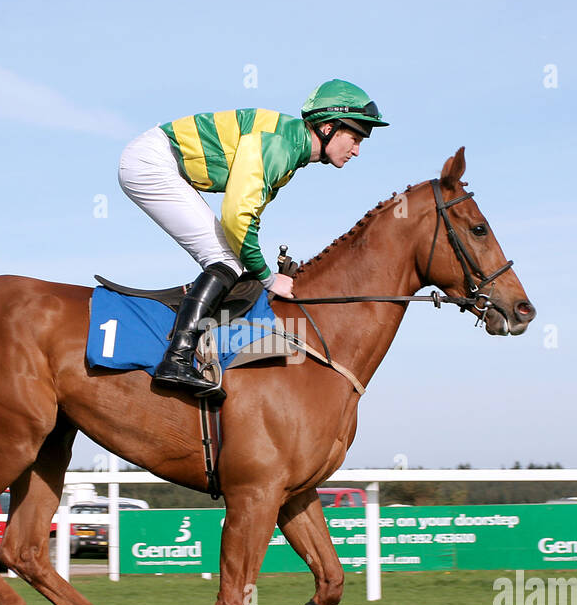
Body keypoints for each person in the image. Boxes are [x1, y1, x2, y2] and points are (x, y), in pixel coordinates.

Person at [117, 79, 388, 393]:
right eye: (354, 137)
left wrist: (255, 267)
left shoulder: (291, 149)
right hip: (152, 163)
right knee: (224, 259)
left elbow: (247, 217)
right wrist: (267, 278)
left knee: (233, 260)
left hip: (160, 162)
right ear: (328, 127)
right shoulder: (281, 145)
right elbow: (237, 218)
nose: (356, 150)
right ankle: (176, 359)